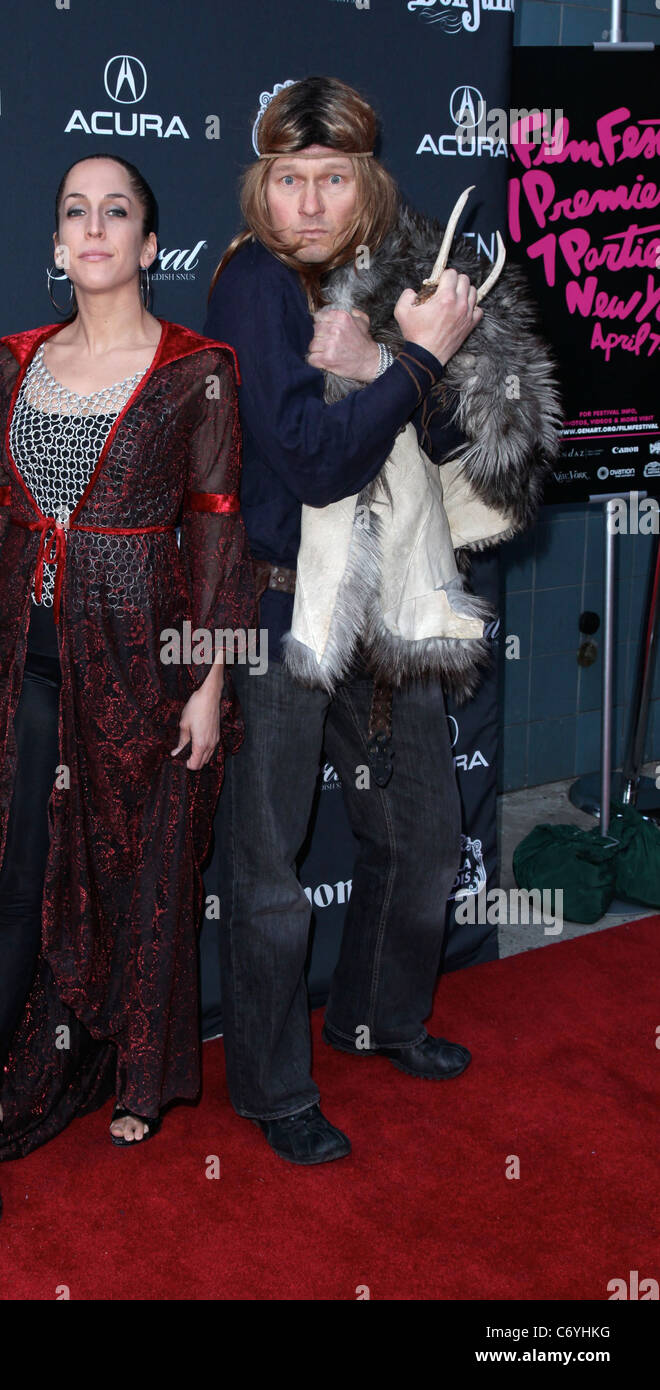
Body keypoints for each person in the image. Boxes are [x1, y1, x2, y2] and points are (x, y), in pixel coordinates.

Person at [0, 152, 257, 1232]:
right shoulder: (14, 360)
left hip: (142, 667)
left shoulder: (194, 368)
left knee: (139, 877)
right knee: (13, 882)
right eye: (74, 208)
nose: (94, 225)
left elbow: (215, 531)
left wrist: (208, 681)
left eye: (117, 210)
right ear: (56, 238)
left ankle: (126, 1064)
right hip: (24, 664)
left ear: (150, 243)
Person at [204, 76, 557, 1165]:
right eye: (290, 179)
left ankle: (376, 1013)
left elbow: (467, 449)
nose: (309, 203)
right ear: (265, 183)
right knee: (268, 866)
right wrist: (409, 362)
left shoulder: (405, 271)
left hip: (399, 593)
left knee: (419, 833)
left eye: (333, 179)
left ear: (367, 183)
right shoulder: (253, 284)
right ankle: (269, 1087)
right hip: (282, 600)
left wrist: (413, 365)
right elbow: (311, 458)